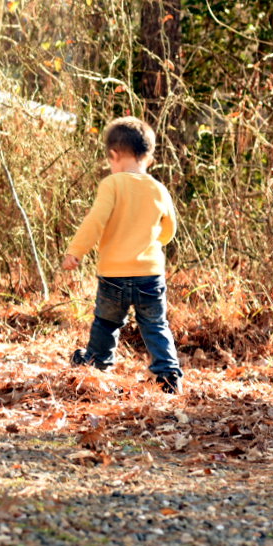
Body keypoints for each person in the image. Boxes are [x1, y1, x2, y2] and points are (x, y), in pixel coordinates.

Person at [61, 116, 183, 394]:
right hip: (150, 274)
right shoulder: (158, 188)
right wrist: (153, 243)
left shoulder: (112, 185)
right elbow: (170, 229)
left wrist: (76, 251)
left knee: (106, 323)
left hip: (114, 274)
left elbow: (96, 221)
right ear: (147, 157)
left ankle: (96, 365)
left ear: (113, 155)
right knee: (155, 325)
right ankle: (168, 374)